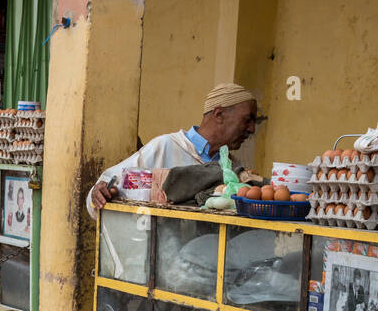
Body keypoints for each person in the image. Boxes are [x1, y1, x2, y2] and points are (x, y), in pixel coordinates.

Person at [88, 83, 262, 216]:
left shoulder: (233, 169)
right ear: (218, 114)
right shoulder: (165, 147)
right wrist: (100, 193)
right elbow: (107, 186)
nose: (252, 129)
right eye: (247, 120)